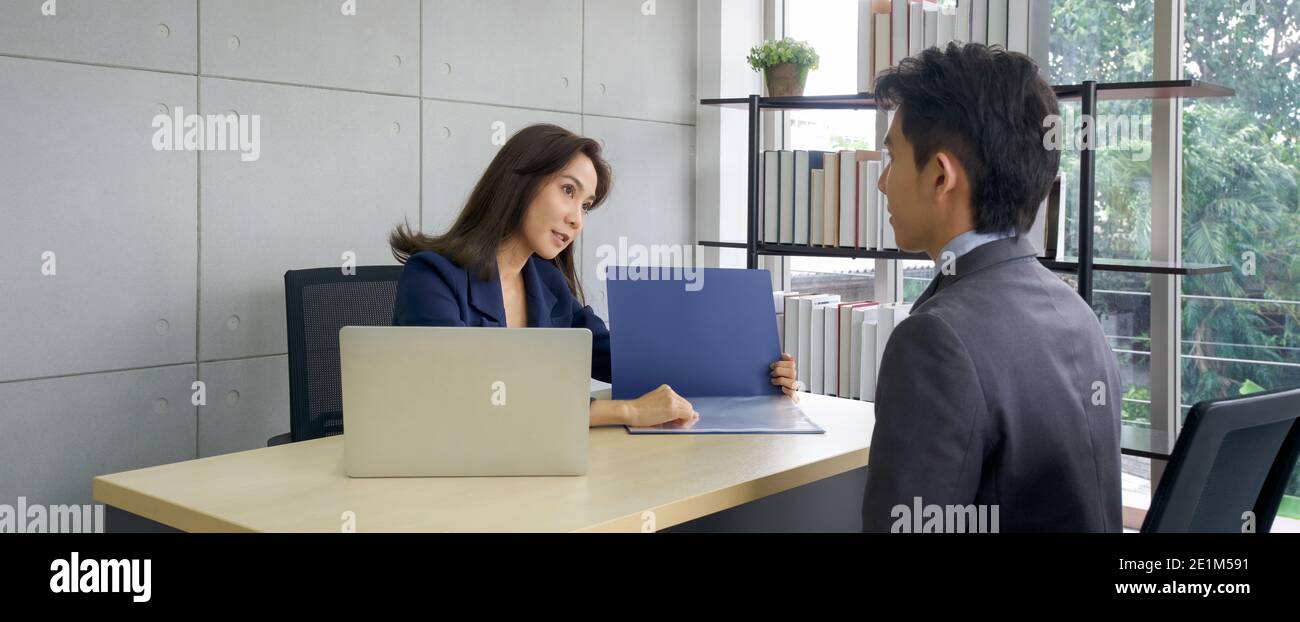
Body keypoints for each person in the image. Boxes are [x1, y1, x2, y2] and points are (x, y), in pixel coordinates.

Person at [862, 43, 1123, 532]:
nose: (882, 184)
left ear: (940, 176)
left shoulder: (936, 341)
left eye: (891, 158)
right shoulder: (1075, 310)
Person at [388, 124, 799, 428]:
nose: (576, 219)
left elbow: (624, 360)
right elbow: (471, 399)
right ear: (519, 182)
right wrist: (626, 411)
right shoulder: (431, 277)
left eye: (585, 206)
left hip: (531, 472)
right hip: (449, 480)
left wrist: (755, 372)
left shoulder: (547, 285)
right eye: (568, 191)